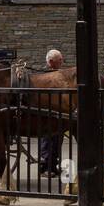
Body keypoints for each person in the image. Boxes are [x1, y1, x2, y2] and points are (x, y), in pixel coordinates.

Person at [39, 49, 65, 177]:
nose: (62, 62)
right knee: (48, 140)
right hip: (47, 112)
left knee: (57, 140)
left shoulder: (58, 73)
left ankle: (53, 166)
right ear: (51, 62)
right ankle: (45, 167)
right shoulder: (44, 75)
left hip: (57, 111)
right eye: (59, 60)